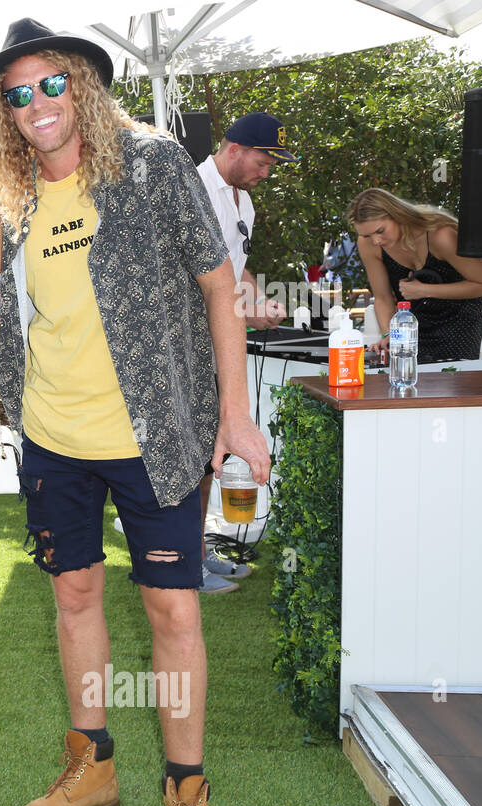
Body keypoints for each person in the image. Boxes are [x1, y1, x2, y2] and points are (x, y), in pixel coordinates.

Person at [0, 18, 270, 806]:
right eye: (18, 93)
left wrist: (235, 415)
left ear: (82, 82)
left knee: (172, 607)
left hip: (157, 431)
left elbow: (221, 288)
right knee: (73, 597)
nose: (38, 104)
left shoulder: (153, 164)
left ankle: (186, 800)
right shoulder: (16, 194)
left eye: (51, 83)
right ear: (6, 111)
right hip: (52, 437)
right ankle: (92, 767)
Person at [194, 112, 296, 594]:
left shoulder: (245, 203)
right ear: (233, 149)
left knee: (210, 452)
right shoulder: (190, 189)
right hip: (187, 344)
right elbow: (193, 281)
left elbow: (237, 269)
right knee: (193, 454)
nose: (266, 172)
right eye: (262, 161)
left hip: (221, 341)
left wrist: (256, 302)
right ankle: (180, 562)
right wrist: (241, 310)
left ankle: (194, 550)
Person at [347, 187, 482, 363]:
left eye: (380, 231)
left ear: (397, 215)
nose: (376, 240)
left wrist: (424, 290)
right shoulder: (368, 244)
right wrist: (390, 334)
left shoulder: (440, 235)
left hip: (459, 321)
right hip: (410, 325)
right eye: (367, 235)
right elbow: (383, 297)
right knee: (406, 382)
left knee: (449, 382)